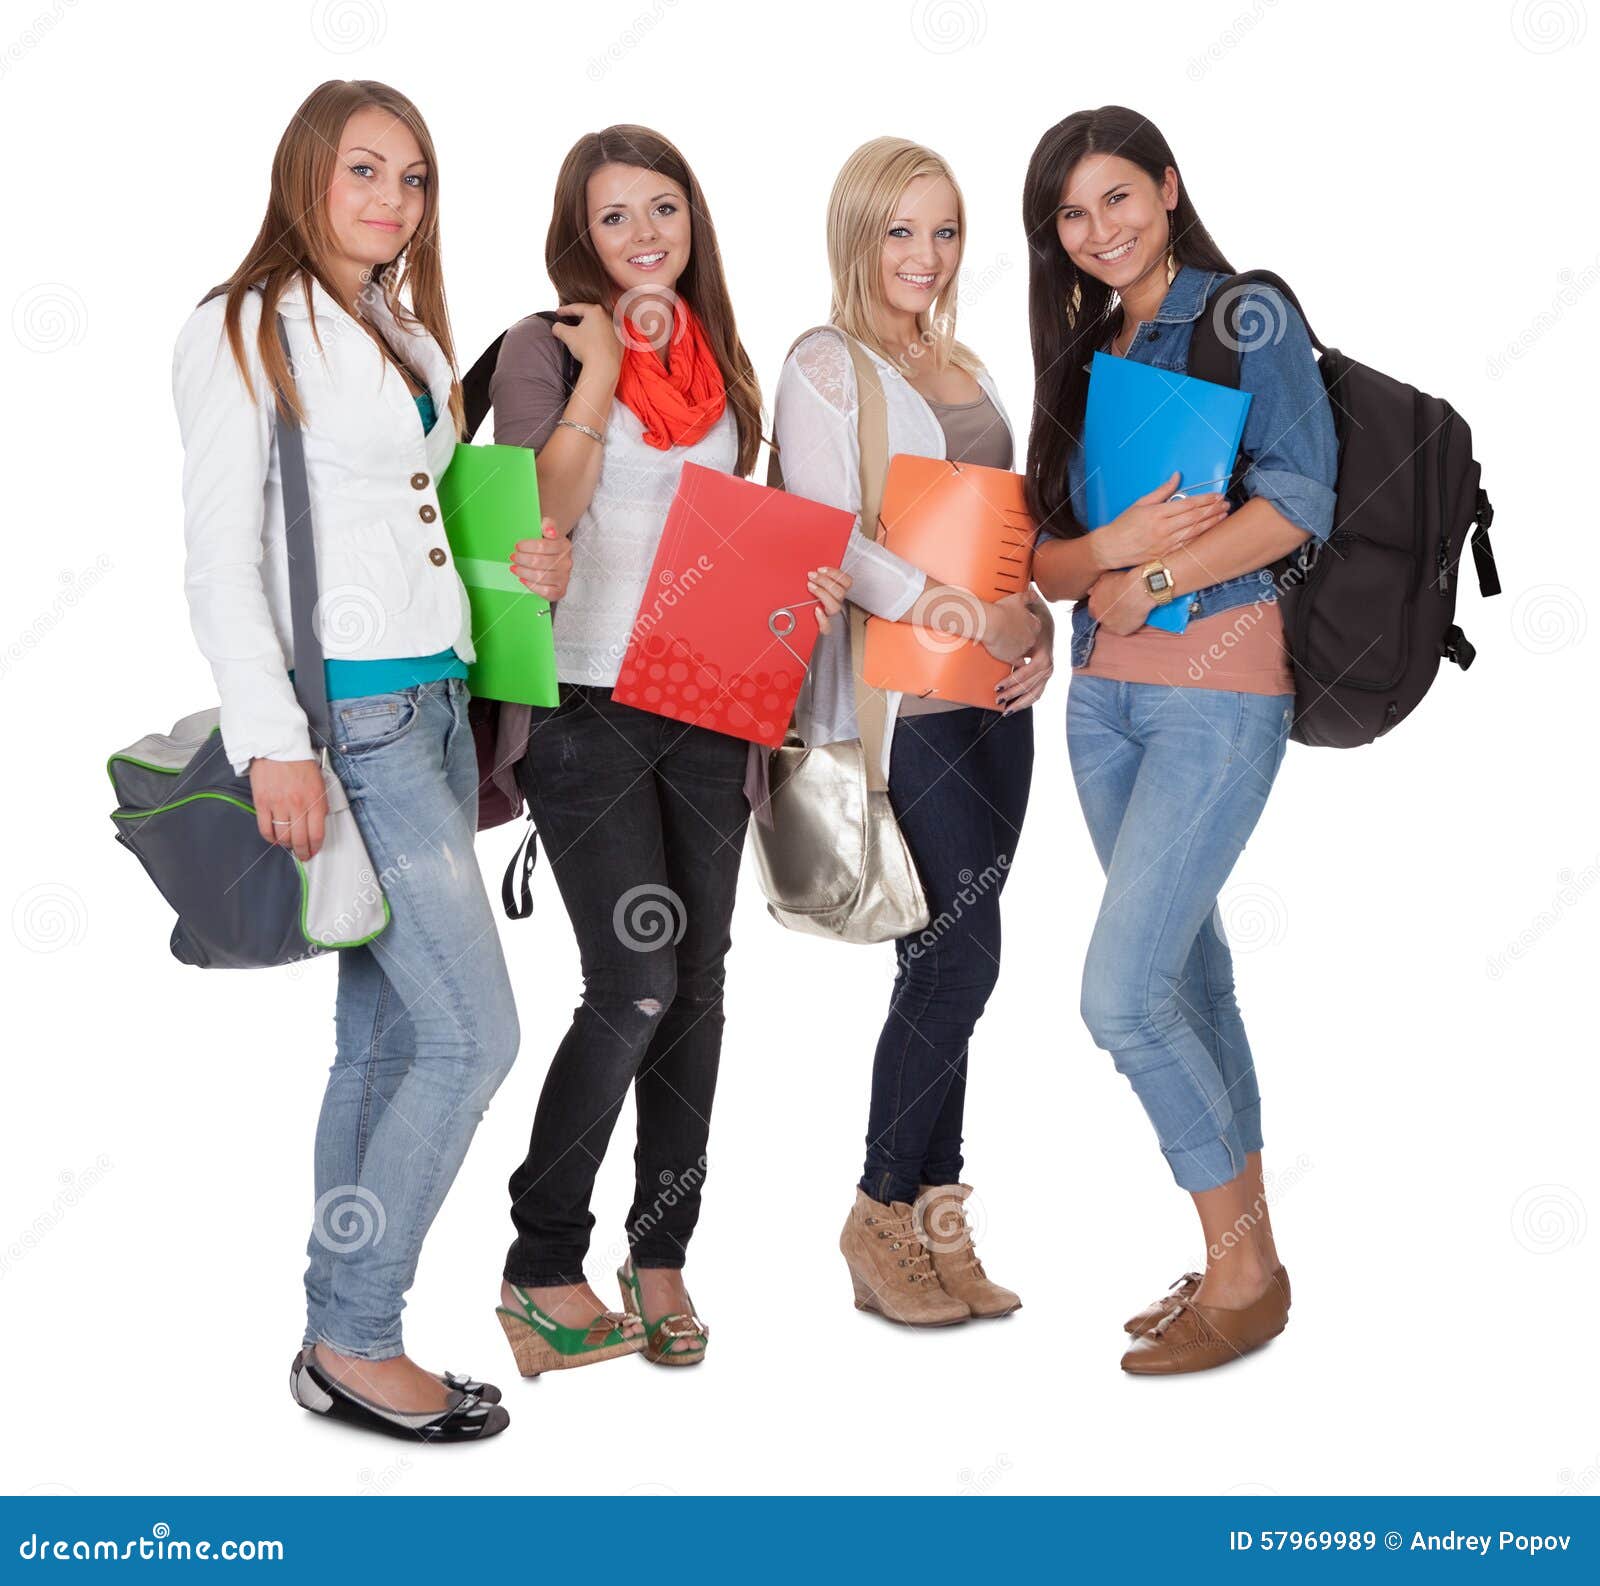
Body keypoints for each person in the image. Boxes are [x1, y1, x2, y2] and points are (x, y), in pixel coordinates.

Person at [172, 79, 518, 1439]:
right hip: (353, 723)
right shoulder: (242, 327)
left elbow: (420, 506)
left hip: (432, 704)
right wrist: (272, 740)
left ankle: (335, 1332)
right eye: (364, 171)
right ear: (305, 173)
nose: (392, 200)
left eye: (415, 178)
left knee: (383, 1042)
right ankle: (362, 1333)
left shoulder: (401, 329)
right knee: (476, 1034)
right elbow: (219, 556)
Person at [1023, 105, 1338, 1374]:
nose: (1100, 230)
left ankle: (1243, 1270)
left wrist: (1149, 582)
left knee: (1120, 995)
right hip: (1099, 701)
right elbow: (1043, 559)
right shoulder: (1082, 348)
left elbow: (1299, 502)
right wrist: (1104, 568)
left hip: (1217, 687)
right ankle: (1237, 1260)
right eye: (1071, 213)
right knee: (1188, 983)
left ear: (1166, 185)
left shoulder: (1247, 314)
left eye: (1118, 197)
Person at [773, 137, 1052, 1327]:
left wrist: (1031, 618)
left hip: (992, 700)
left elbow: (1006, 529)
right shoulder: (825, 363)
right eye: (900, 231)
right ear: (857, 234)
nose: (924, 256)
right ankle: (882, 1213)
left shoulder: (964, 363)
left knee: (953, 960)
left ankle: (939, 1215)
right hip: (907, 705)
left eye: (942, 232)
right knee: (955, 956)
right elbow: (824, 532)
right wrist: (955, 609)